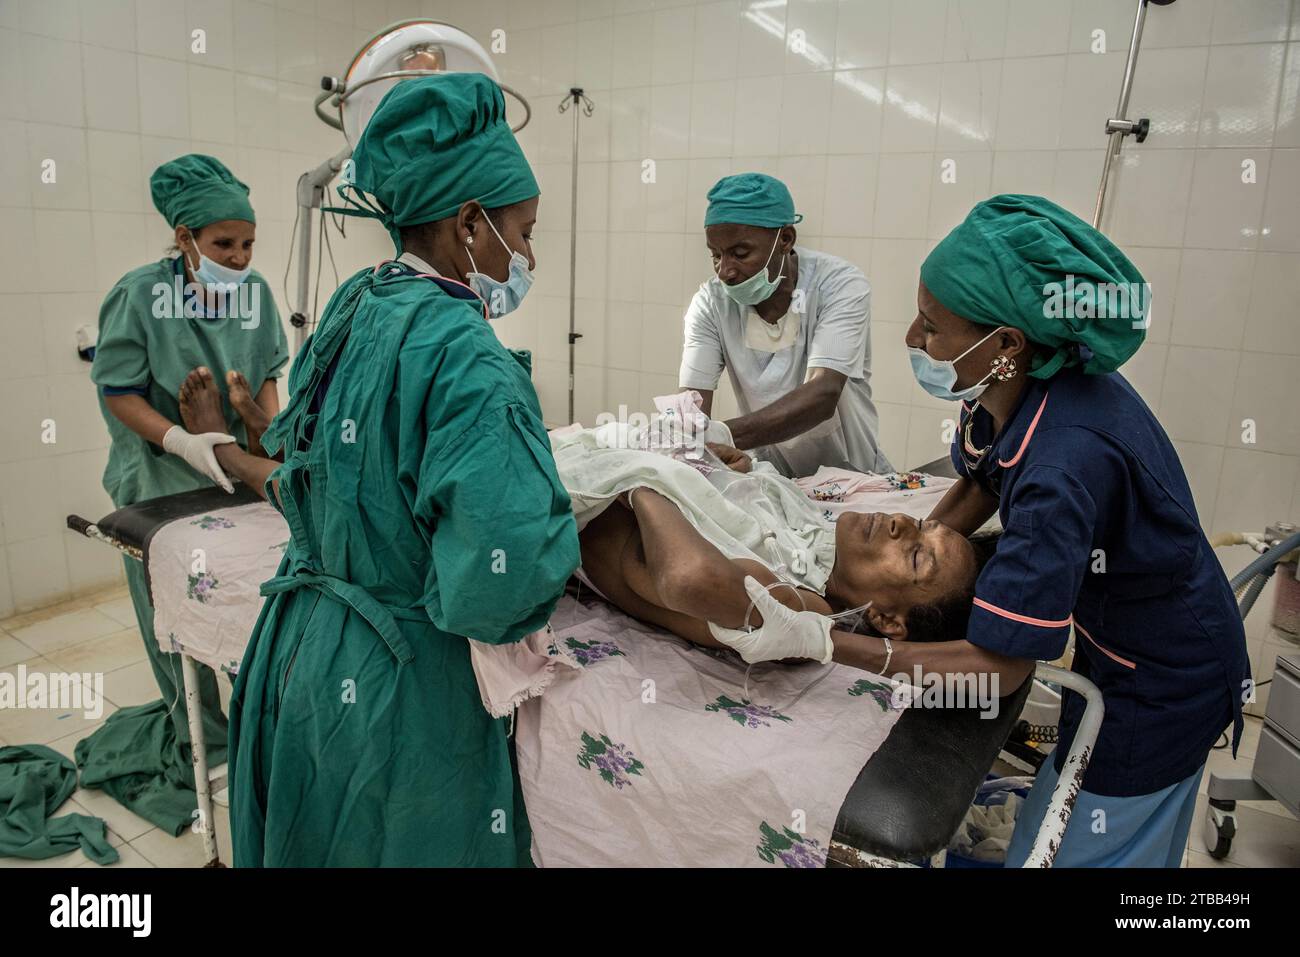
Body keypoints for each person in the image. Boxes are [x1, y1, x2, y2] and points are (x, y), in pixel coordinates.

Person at [224, 74, 580, 867]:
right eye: (522, 232)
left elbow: (299, 455)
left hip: (302, 650)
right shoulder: (471, 360)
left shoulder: (359, 300)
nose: (527, 254)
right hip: (403, 687)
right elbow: (501, 583)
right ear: (468, 224)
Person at [84, 154, 287, 833]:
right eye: (223, 243)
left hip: (237, 478)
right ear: (184, 237)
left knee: (240, 608)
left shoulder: (253, 295)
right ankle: (203, 739)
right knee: (173, 622)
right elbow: (118, 391)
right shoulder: (139, 295)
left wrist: (262, 435)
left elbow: (264, 378)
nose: (238, 256)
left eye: (248, 242)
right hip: (162, 480)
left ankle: (254, 728)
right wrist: (181, 440)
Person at [678, 172, 889, 478]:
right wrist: (679, 441)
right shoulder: (711, 303)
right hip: (768, 477)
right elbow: (691, 406)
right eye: (716, 255)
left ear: (785, 239)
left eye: (740, 253)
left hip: (852, 479)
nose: (725, 271)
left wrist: (720, 436)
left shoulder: (838, 285)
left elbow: (822, 394)